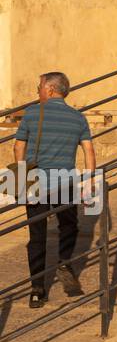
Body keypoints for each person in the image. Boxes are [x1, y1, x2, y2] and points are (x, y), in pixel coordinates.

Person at [13, 71, 96, 308]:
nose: (37, 91)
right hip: (66, 182)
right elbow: (88, 151)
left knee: (37, 235)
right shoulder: (78, 118)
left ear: (49, 89)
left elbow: (18, 149)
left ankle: (37, 289)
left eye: (39, 86)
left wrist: (22, 179)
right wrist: (89, 180)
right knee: (69, 225)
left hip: (36, 183)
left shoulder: (31, 114)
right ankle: (64, 261)